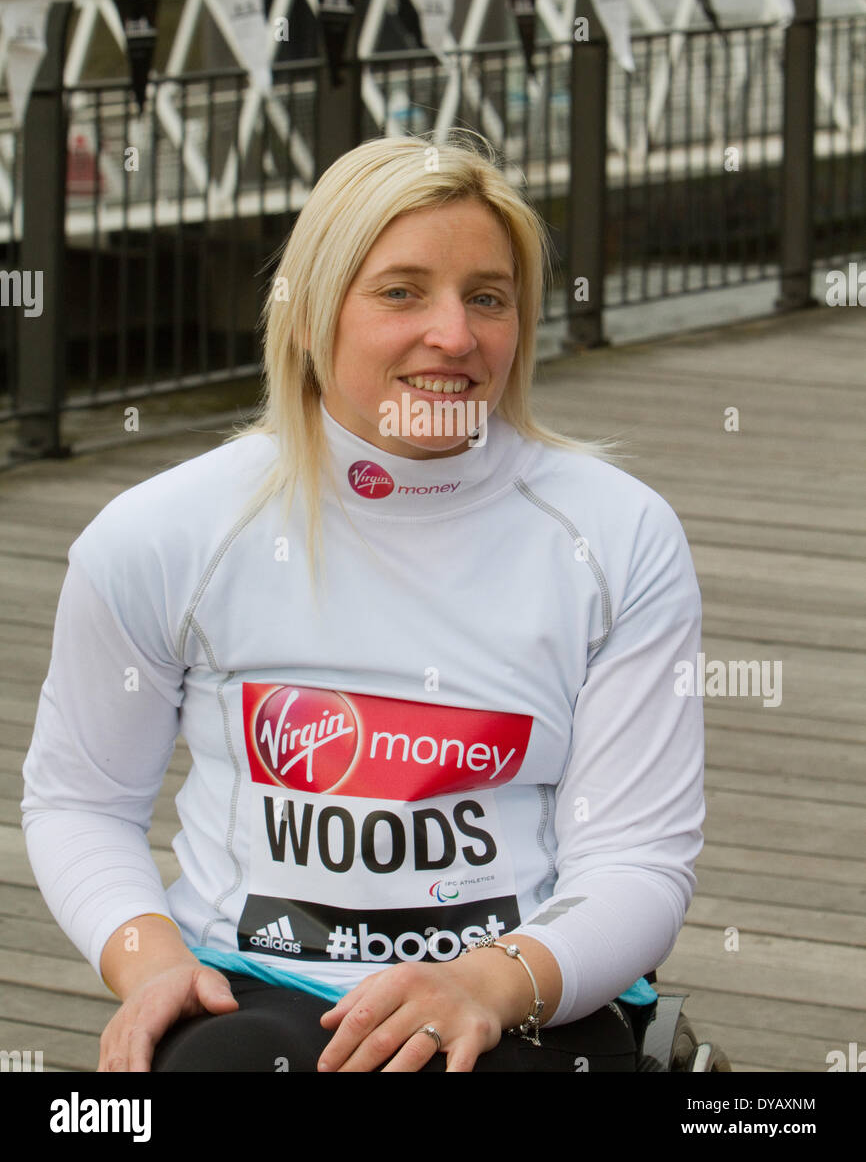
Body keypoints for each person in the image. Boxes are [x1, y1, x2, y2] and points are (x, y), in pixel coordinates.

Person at [21, 133, 704, 1073]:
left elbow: (638, 856)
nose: (455, 335)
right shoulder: (160, 535)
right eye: (401, 291)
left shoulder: (620, 535)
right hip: (251, 982)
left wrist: (489, 984)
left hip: (515, 984)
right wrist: (149, 964)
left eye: (488, 298)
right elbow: (81, 801)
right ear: (307, 317)